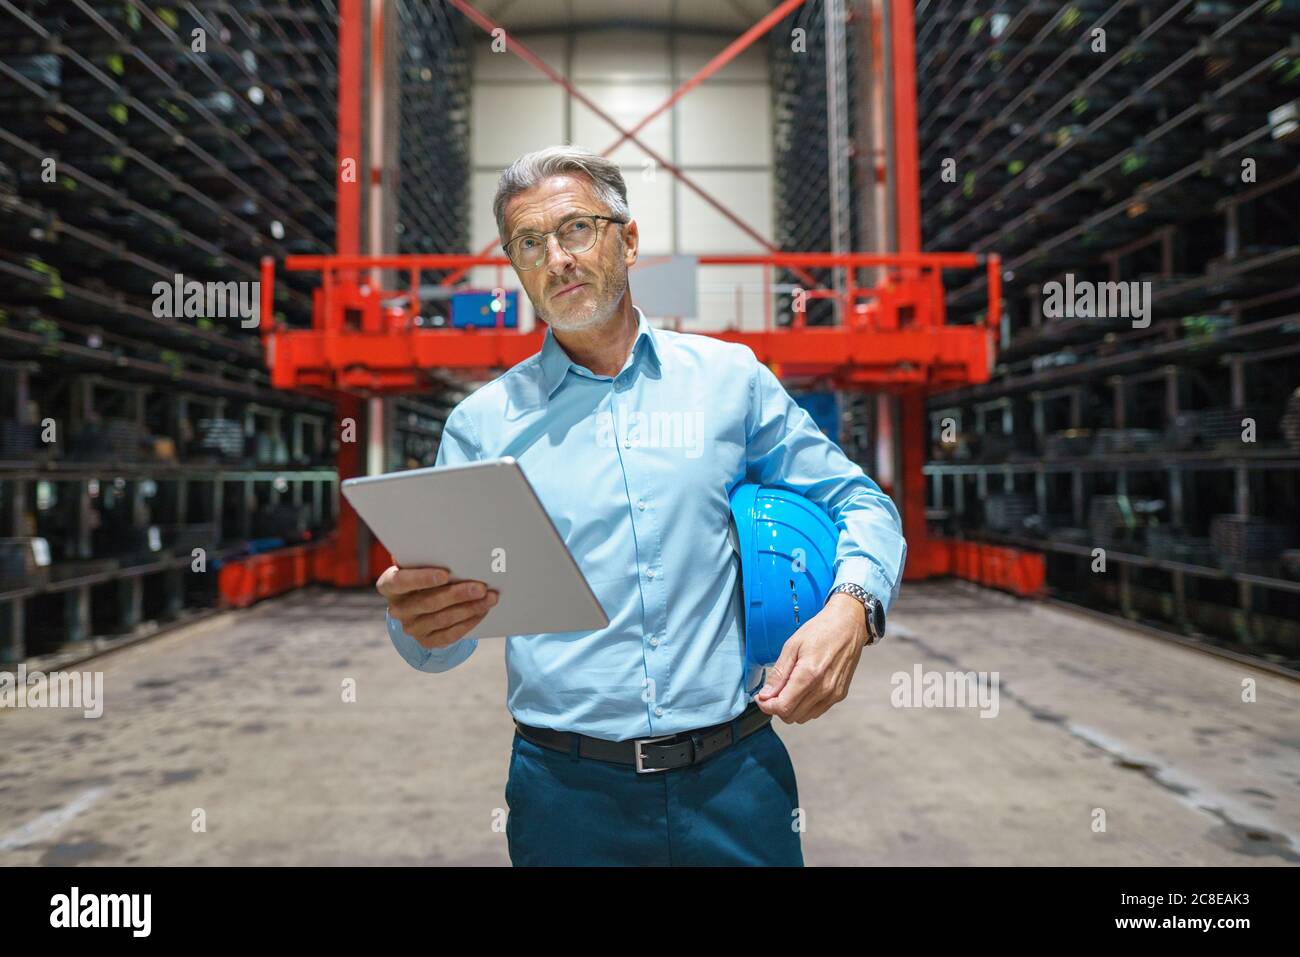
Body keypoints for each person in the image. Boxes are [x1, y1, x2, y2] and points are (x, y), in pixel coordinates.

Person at [377, 145, 906, 866]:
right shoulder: (484, 425)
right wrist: (420, 625)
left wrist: (853, 605)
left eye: (576, 230)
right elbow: (444, 641)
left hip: (736, 781)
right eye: (529, 243)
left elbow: (859, 501)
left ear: (627, 240)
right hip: (566, 799)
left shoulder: (729, 381)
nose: (556, 259)